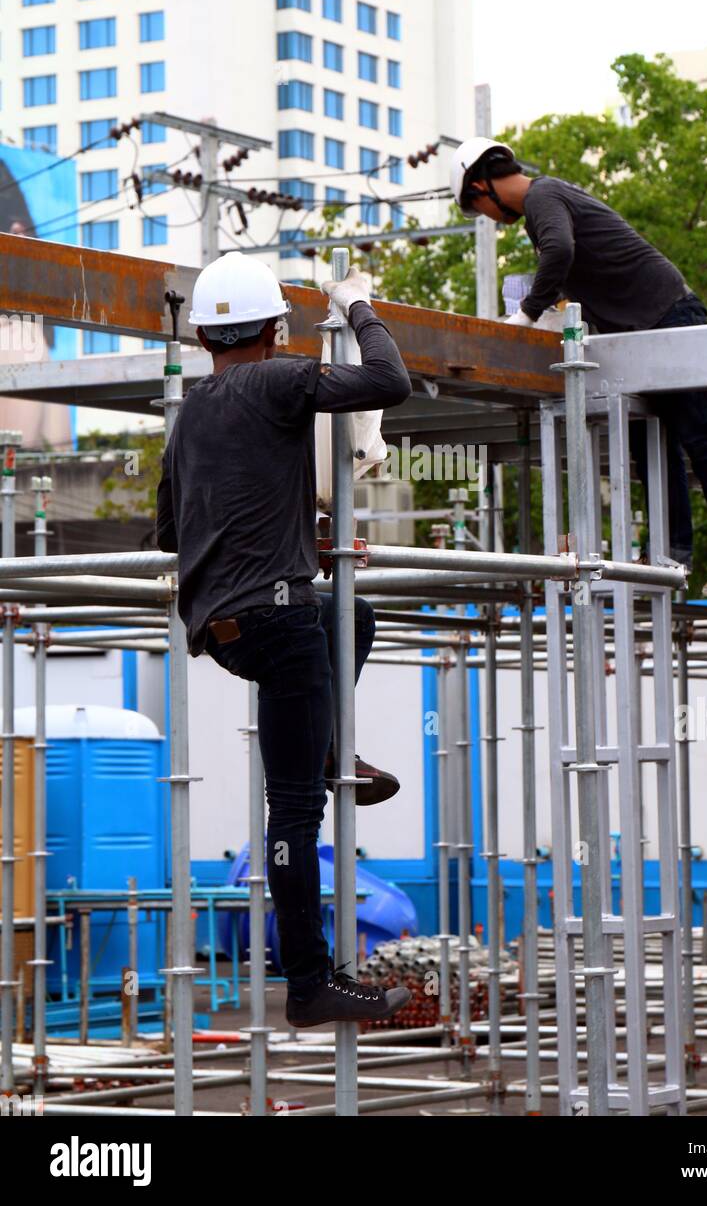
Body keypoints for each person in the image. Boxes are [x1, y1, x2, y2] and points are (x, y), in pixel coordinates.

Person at [156, 253, 413, 1028]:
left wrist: (304, 529)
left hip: (225, 627)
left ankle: (334, 745)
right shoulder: (280, 379)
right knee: (295, 814)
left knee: (353, 615)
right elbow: (387, 381)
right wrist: (362, 309)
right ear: (274, 330)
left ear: (203, 336)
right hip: (281, 619)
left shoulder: (190, 414)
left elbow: (175, 530)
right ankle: (309, 983)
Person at [451, 137, 707, 597]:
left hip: (666, 315)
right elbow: (574, 265)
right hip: (637, 331)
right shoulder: (548, 204)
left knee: (700, 429)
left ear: (482, 186)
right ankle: (669, 552)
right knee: (648, 441)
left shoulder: (543, 196)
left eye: (481, 209)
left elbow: (560, 253)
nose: (491, 219)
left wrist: (527, 314)